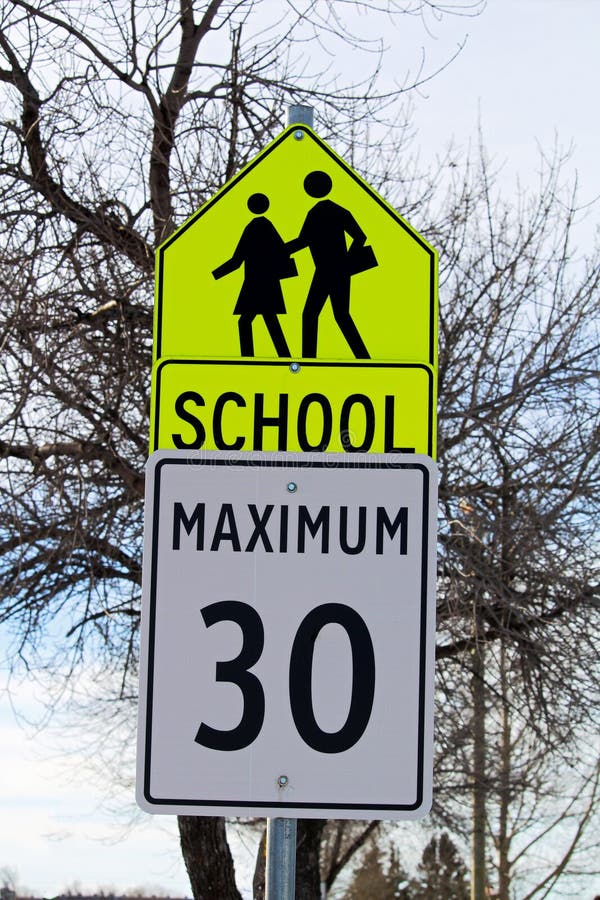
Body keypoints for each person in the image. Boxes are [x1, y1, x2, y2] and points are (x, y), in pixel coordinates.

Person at [287, 170, 372, 358]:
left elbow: (302, 241)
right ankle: (362, 358)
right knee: (338, 315)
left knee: (313, 314)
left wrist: (346, 262)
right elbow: (304, 241)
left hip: (330, 271)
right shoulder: (332, 211)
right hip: (332, 271)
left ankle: (309, 361)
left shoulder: (319, 213)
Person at [212, 192, 294, 357]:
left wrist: (214, 275)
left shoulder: (253, 228)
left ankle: (250, 360)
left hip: (256, 283)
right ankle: (283, 358)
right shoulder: (267, 226)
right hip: (266, 282)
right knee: (268, 320)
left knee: (248, 321)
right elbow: (283, 251)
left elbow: (237, 260)